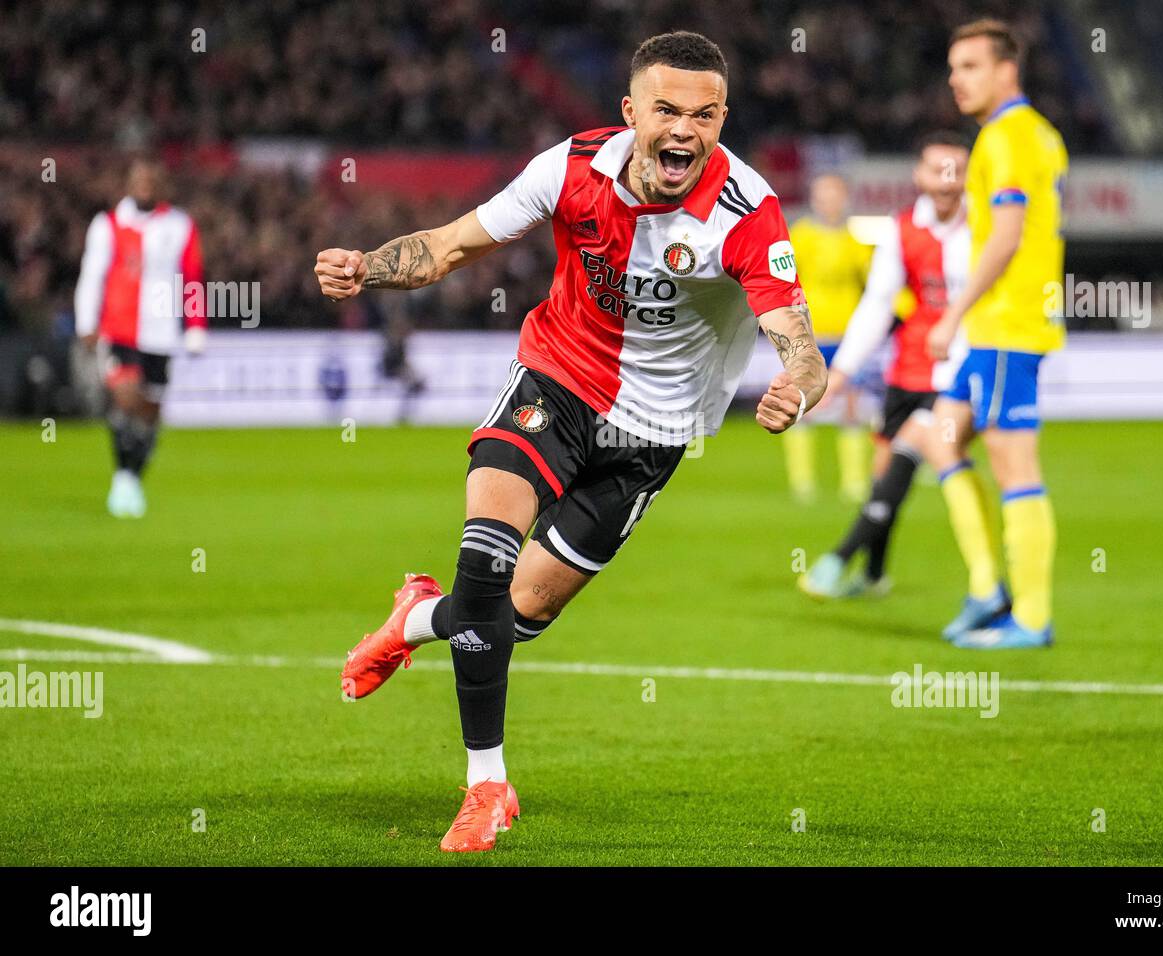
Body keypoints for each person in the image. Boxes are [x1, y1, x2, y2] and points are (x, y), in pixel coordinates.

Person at [314, 31, 826, 851]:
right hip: (555, 383)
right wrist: (365, 266)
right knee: (484, 561)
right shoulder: (570, 168)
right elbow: (451, 245)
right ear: (632, 113)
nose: (684, 132)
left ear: (723, 119)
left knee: (516, 612)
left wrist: (798, 383)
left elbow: (797, 339)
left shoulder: (746, 213)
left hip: (652, 435)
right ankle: (487, 785)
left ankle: (415, 620)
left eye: (704, 115)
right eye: (666, 110)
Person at [925, 19, 1068, 649]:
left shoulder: (1008, 137)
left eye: (971, 66)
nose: (956, 78)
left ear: (1007, 69)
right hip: (997, 330)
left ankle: (1032, 618)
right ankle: (988, 587)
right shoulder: (1031, 134)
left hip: (1008, 329)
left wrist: (954, 314)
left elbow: (1007, 238)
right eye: (953, 67)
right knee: (941, 439)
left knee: (1015, 468)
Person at [800, 132, 971, 600]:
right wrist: (842, 373)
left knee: (905, 459)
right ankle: (874, 575)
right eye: (938, 169)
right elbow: (877, 304)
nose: (947, 179)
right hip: (907, 369)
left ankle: (838, 558)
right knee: (885, 475)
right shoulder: (901, 229)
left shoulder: (985, 229)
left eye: (956, 169)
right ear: (919, 175)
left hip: (956, 372)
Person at [74, 158, 207, 518]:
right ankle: (122, 477)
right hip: (119, 328)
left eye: (152, 178)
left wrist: (196, 326)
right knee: (125, 399)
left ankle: (132, 476)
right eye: (139, 178)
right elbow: (92, 274)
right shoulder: (108, 225)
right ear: (129, 183)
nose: (145, 184)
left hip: (162, 333)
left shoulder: (180, 225)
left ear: (161, 183)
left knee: (150, 413)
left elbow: (192, 277)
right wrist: (86, 321)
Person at [784, 174, 873, 503]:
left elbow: (872, 284)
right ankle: (803, 481)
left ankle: (854, 482)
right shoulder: (802, 236)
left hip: (849, 336)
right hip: (813, 334)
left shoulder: (855, 240)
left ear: (844, 198)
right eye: (823, 195)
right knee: (803, 406)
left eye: (835, 195)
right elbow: (788, 282)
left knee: (851, 407)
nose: (829, 202)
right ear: (815, 199)